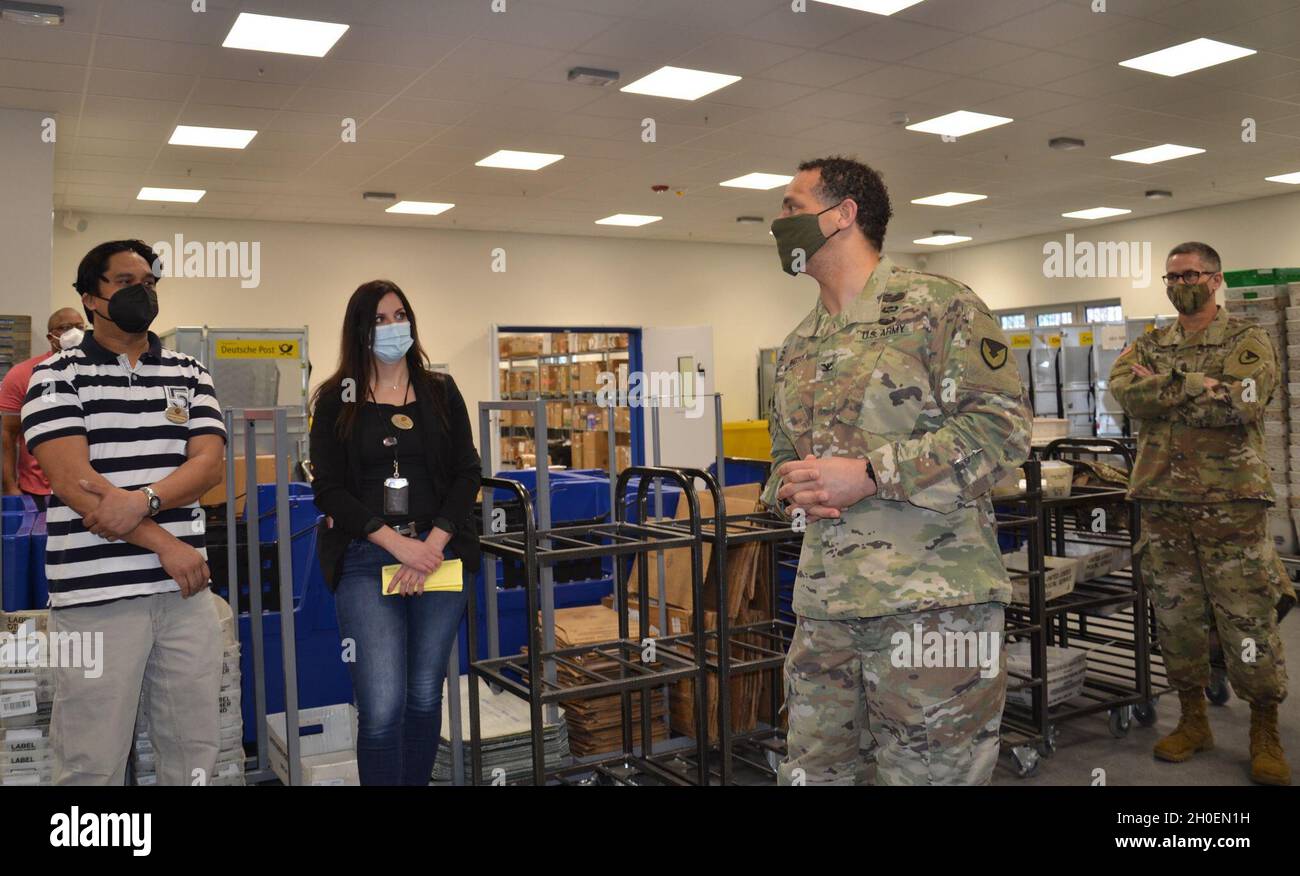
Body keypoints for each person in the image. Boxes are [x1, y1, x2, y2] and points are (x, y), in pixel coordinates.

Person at [761, 156, 1032, 785]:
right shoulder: (800, 343)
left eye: (791, 208)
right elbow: (782, 452)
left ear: (843, 215)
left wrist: (871, 472)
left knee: (927, 774)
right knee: (815, 773)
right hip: (827, 607)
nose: (778, 223)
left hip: (933, 606)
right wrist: (790, 488)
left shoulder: (940, 307)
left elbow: (1001, 429)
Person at [21, 239, 226, 785]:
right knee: (91, 758)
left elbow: (208, 467)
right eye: (127, 282)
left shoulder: (190, 371)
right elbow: (73, 483)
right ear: (92, 297)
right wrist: (167, 544)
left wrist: (141, 500)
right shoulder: (55, 376)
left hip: (185, 597)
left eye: (151, 283)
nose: (144, 292)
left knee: (194, 750)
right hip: (96, 600)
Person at [1110, 241, 1290, 786]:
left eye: (1190, 274)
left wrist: (1161, 388)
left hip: (1230, 505)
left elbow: (1243, 402)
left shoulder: (1247, 339)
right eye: (1171, 276)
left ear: (1214, 280)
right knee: (1176, 617)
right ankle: (1193, 720)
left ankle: (1265, 728)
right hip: (1164, 503)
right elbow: (1122, 392)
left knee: (1247, 618)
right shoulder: (1151, 340)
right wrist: (1193, 383)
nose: (1179, 283)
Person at [309, 280, 481, 786]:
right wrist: (397, 543)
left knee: (426, 694)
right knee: (383, 705)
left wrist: (430, 544)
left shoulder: (440, 390)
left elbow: (467, 472)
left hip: (439, 554)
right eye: (380, 319)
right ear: (360, 329)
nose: (392, 327)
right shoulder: (336, 397)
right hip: (367, 557)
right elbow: (330, 490)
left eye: (399, 314)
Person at [1, 308, 86, 511]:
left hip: (87, 487)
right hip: (37, 492)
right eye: (65, 328)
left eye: (79, 327)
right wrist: (10, 487)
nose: (74, 333)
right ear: (51, 336)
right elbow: (7, 435)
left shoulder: (97, 371)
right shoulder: (22, 374)